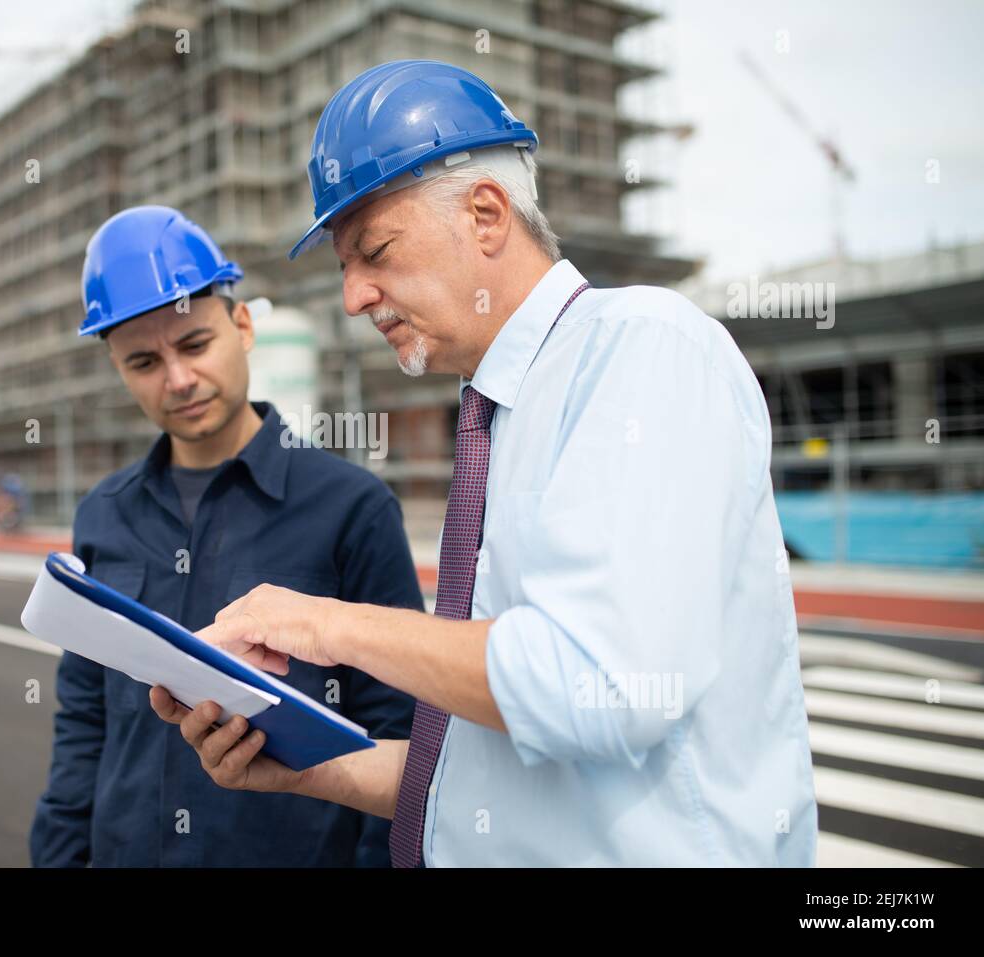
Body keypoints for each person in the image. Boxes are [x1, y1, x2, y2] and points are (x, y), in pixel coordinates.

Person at [151, 61, 818, 866]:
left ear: (487, 213)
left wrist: (318, 622)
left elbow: (597, 685)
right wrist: (297, 767)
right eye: (343, 268)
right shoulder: (497, 415)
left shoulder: (644, 348)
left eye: (376, 251)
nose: (355, 296)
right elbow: (482, 782)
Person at [29, 205, 421, 866]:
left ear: (242, 326)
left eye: (193, 345)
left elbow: (400, 730)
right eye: (145, 361)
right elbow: (84, 722)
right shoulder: (104, 514)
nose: (177, 380)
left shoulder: (351, 508)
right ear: (119, 369)